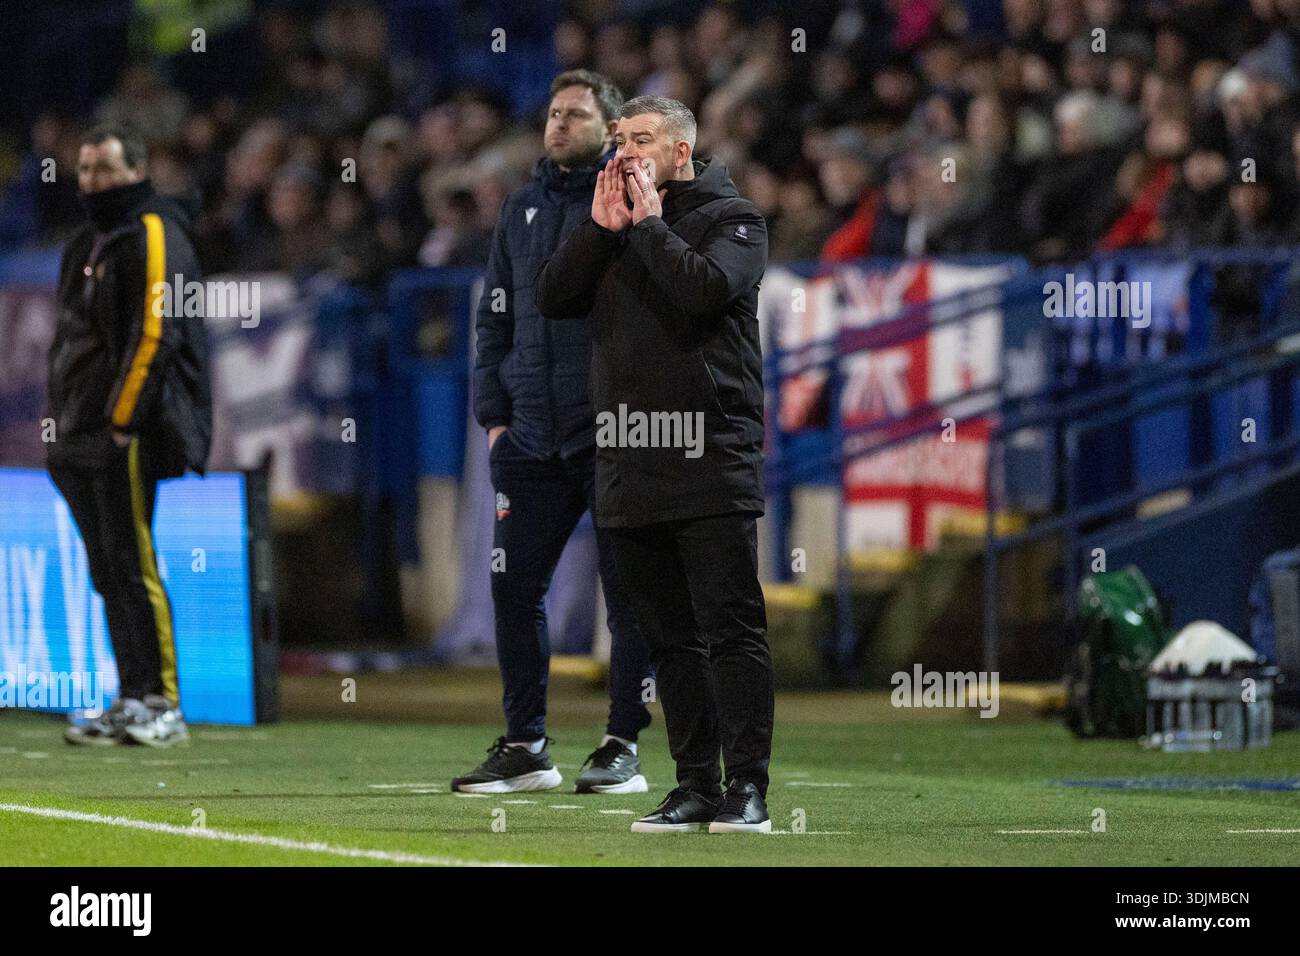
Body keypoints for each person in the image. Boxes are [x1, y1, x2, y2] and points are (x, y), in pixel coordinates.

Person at [536, 96, 775, 832]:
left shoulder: (735, 219)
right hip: (629, 458)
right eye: (618, 140)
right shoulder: (614, 222)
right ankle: (696, 782)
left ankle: (749, 790)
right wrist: (600, 230)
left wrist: (644, 226)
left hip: (710, 454)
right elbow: (552, 297)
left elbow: (701, 290)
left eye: (641, 140)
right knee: (668, 639)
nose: (624, 153)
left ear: (682, 153)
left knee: (730, 631)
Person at [452, 70, 655, 794]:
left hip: (609, 432)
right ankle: (526, 744)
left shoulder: (632, 200)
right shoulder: (520, 209)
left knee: (628, 590)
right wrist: (495, 421)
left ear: (609, 128)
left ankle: (622, 742)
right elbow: (492, 322)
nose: (558, 125)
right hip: (530, 437)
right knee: (513, 588)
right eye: (553, 113)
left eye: (575, 114)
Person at [47, 124, 211, 747]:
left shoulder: (152, 232)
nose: (92, 181)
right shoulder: (86, 240)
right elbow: (68, 342)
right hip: (80, 432)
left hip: (128, 430)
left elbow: (156, 332)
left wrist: (121, 421)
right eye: (84, 169)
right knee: (107, 567)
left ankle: (162, 701)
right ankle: (131, 692)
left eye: (105, 169)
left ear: (138, 170)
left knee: (134, 563)